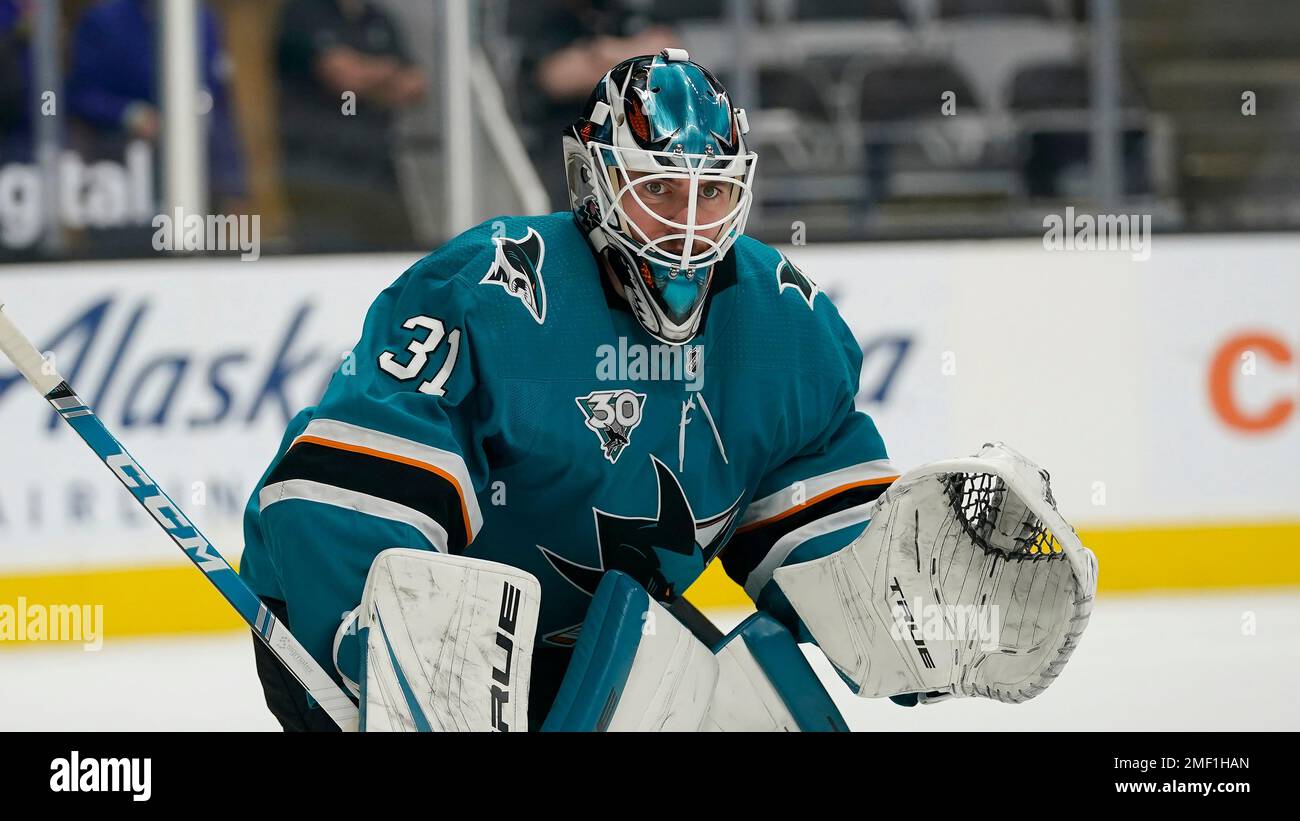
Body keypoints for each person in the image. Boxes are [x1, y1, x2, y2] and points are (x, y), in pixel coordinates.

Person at [239, 50, 1093, 731]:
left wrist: (921, 618)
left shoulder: (783, 325)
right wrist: (369, 639)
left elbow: (828, 557)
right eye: (658, 192)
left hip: (589, 652)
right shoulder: (493, 288)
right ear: (594, 182)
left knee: (745, 701)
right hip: (361, 630)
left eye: (712, 191)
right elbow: (347, 489)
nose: (688, 224)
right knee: (451, 635)